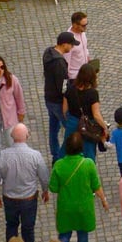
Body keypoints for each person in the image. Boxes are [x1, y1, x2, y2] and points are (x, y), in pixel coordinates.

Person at [0, 124, 49, 242]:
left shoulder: (2, 155)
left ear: (12, 137)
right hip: (28, 199)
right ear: (27, 136)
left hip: (9, 198)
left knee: (11, 225)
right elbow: (44, 177)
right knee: (28, 228)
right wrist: (45, 190)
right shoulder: (35, 155)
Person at [62, 64, 107, 161]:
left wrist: (70, 120)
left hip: (72, 123)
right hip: (87, 127)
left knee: (68, 149)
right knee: (88, 154)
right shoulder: (93, 93)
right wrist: (105, 127)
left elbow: (64, 110)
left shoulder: (70, 88)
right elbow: (96, 115)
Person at [43, 33, 74, 162]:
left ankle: (55, 154)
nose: (72, 47)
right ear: (64, 44)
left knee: (53, 128)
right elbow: (63, 87)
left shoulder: (48, 52)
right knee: (70, 128)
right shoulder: (60, 63)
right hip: (58, 101)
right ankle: (62, 155)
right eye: (71, 44)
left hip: (48, 97)